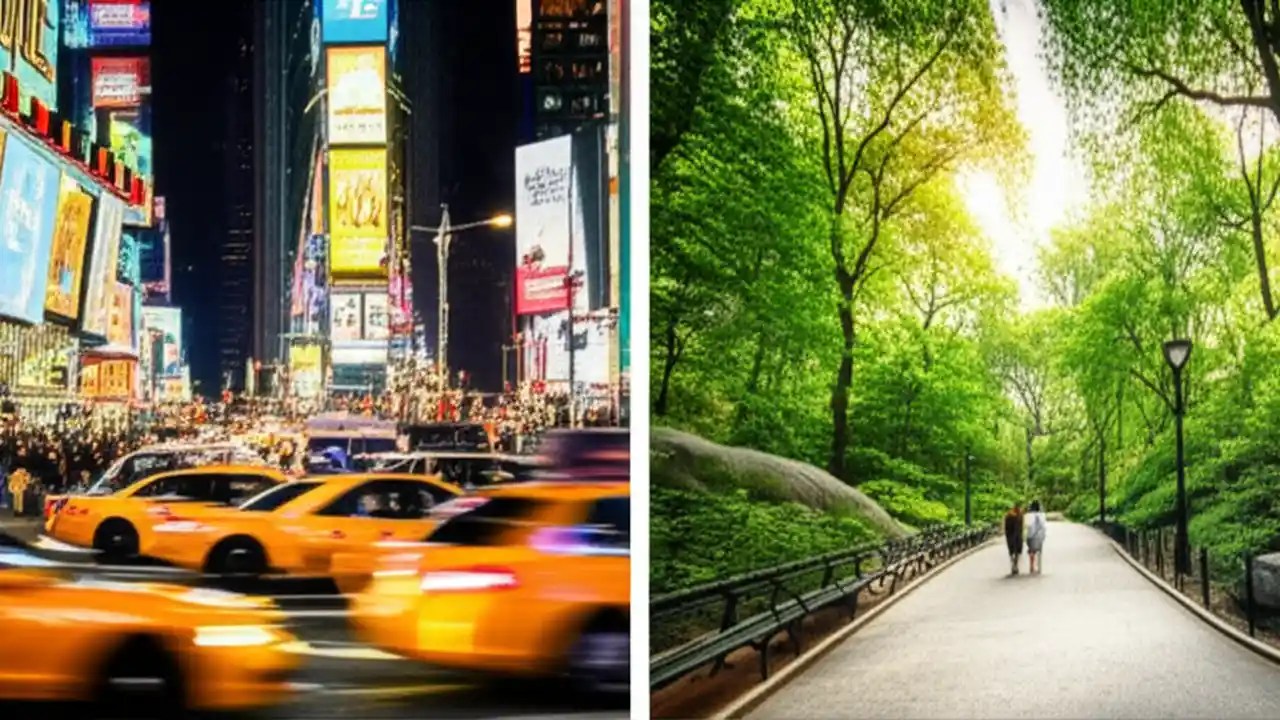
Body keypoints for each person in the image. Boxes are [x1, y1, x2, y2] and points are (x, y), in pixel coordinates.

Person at [1025, 500, 1048, 574]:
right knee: (1039, 549)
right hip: (1039, 537)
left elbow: (1027, 526)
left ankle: (1031, 566)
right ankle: (1038, 566)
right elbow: (1044, 526)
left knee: (1031, 550)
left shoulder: (1028, 515)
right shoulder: (1042, 515)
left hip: (1030, 536)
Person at [1004, 503, 1024, 575]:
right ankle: (1015, 565)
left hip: (1011, 536)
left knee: (1012, 552)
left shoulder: (1008, 515)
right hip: (1017, 536)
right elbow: (1021, 527)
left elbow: (1006, 528)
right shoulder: (1020, 515)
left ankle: (1013, 565)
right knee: (1017, 552)